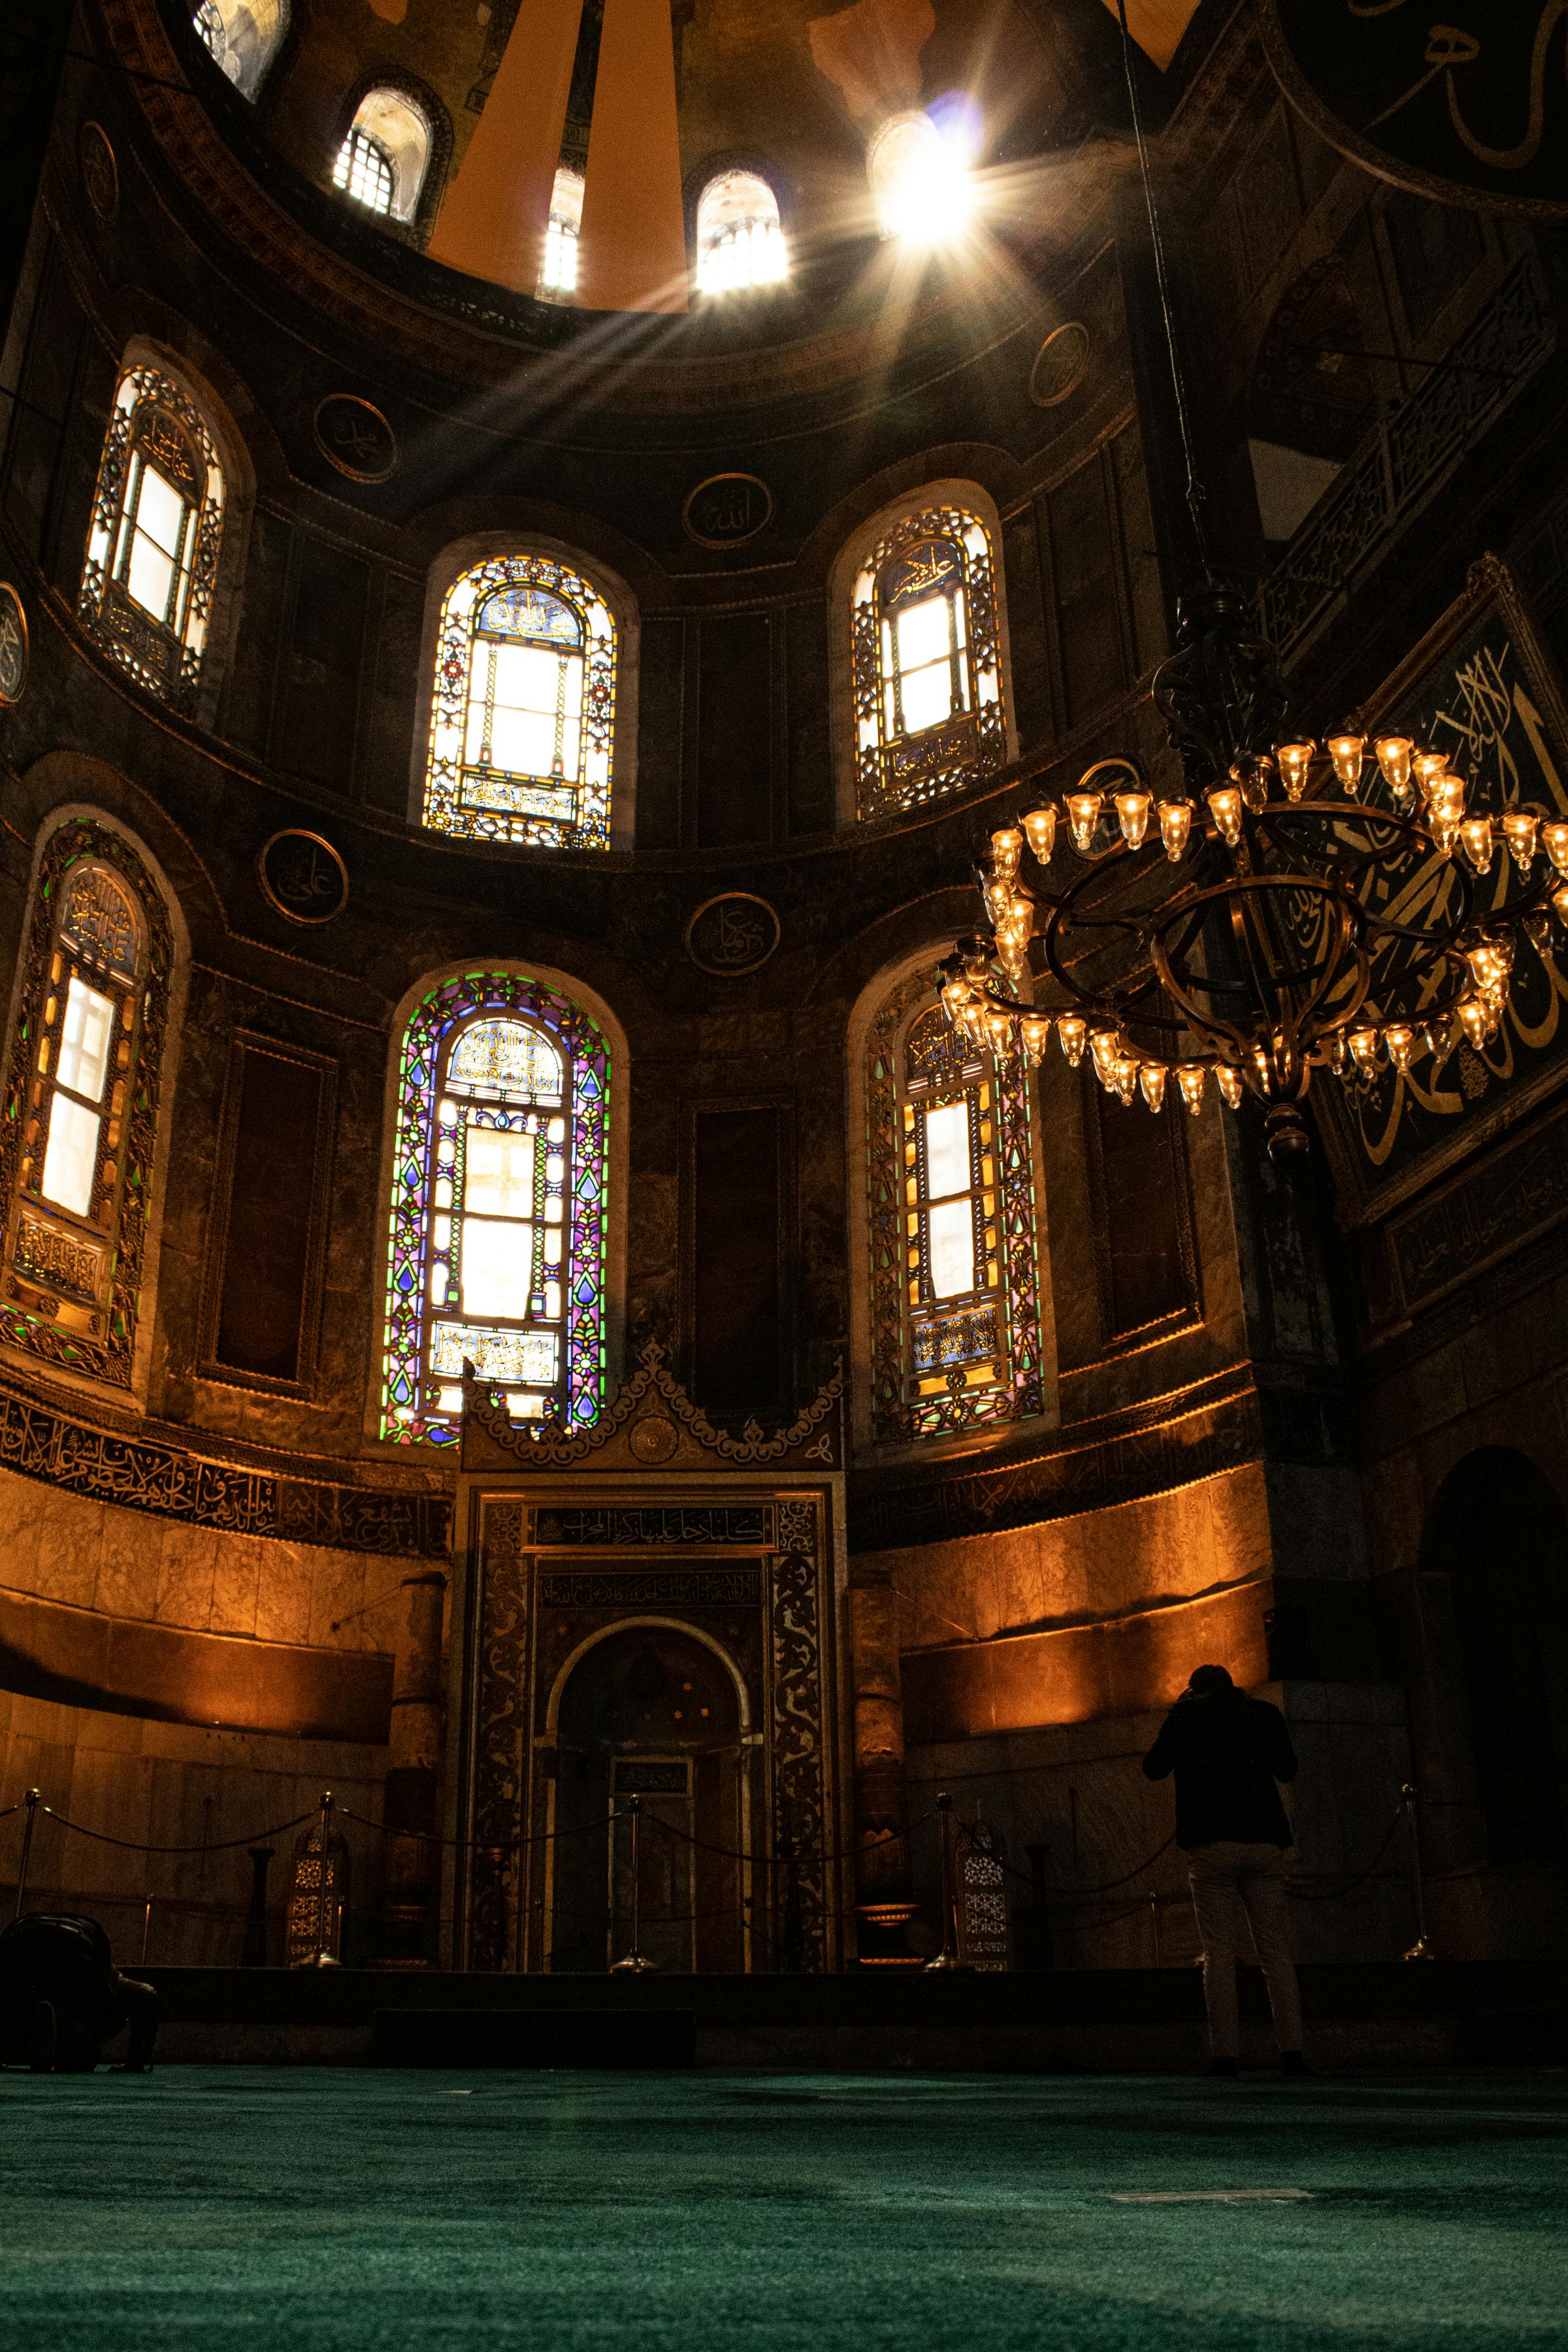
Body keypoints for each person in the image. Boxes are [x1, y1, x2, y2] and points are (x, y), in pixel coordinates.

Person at [1142, 1663, 1308, 2078]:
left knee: (1218, 1953)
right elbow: (1287, 1769)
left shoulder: (1187, 1716)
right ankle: (1293, 2053)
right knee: (1276, 1953)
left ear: (1193, 1691)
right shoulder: (1263, 1714)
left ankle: (1226, 2056)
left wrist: (1177, 1713)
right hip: (1264, 1839)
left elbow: (1154, 1768)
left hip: (1211, 1842)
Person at [0, 1912, 158, 2073]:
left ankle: (49, 2026)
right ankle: (60, 2026)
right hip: (78, 1946)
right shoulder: (108, 1977)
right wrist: (135, 2064)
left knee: (14, 2018)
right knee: (82, 2055)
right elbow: (147, 1995)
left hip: (18, 1945)